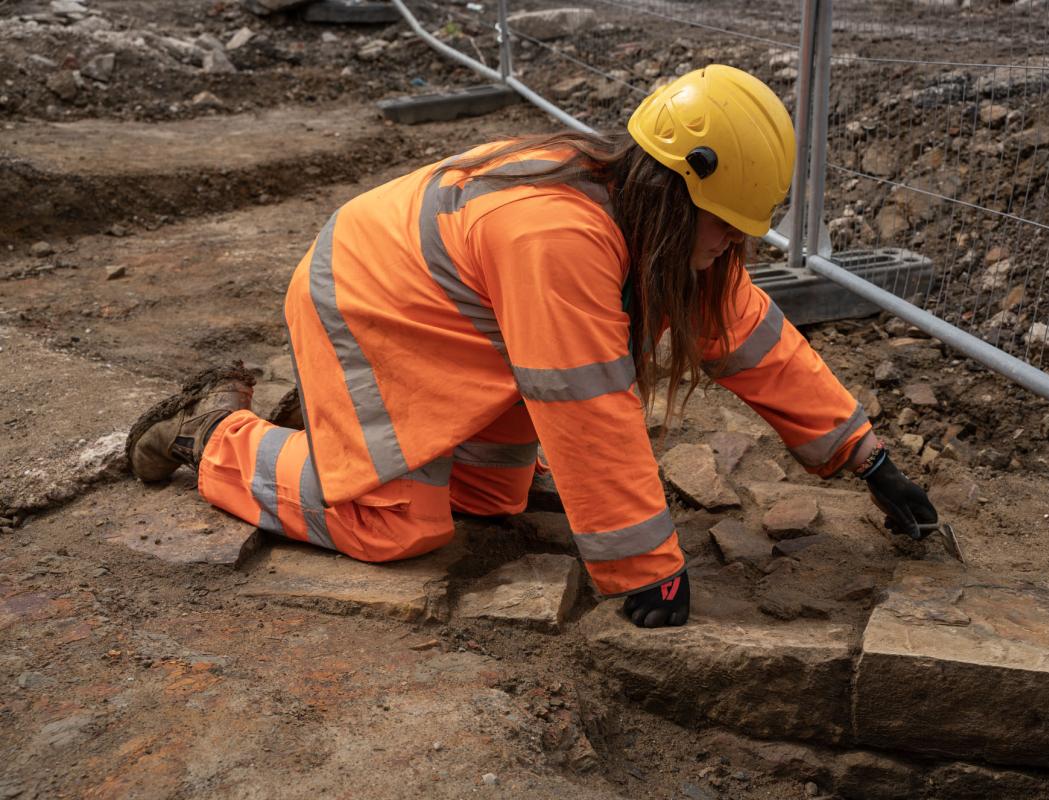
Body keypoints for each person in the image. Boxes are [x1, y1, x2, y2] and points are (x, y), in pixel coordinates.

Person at [125, 65, 939, 628]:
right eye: (727, 225)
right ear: (675, 188)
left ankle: (349, 438)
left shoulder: (665, 228)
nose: (734, 246)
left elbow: (752, 338)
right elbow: (586, 404)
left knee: (490, 502)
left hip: (468, 329)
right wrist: (641, 567)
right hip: (370, 309)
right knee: (397, 528)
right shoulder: (560, 236)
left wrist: (863, 458)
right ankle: (217, 436)